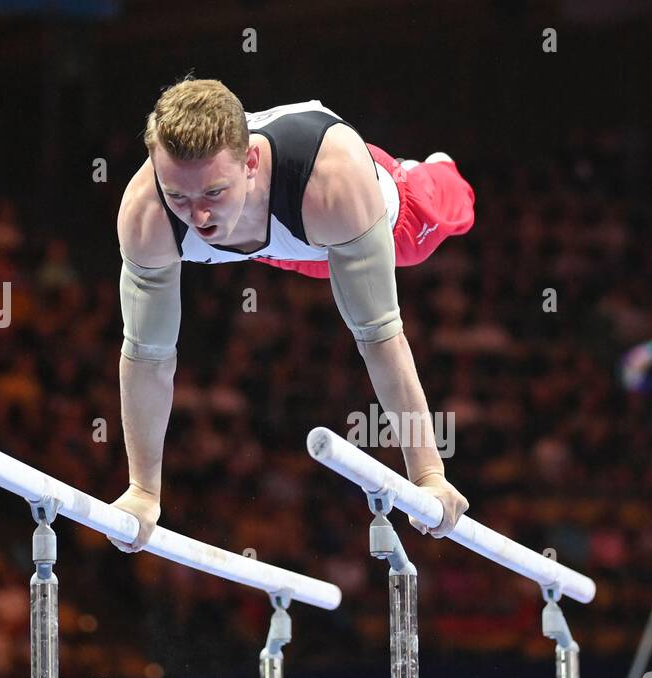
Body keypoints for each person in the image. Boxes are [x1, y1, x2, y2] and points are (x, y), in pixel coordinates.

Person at [108, 73, 474, 552]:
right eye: (179, 196)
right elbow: (148, 358)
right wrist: (143, 492)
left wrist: (428, 472)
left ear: (251, 161)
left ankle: (434, 170)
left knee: (439, 220)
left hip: (361, 219)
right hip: (287, 235)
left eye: (212, 193)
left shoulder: (332, 179)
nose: (197, 218)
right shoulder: (146, 215)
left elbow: (379, 337)